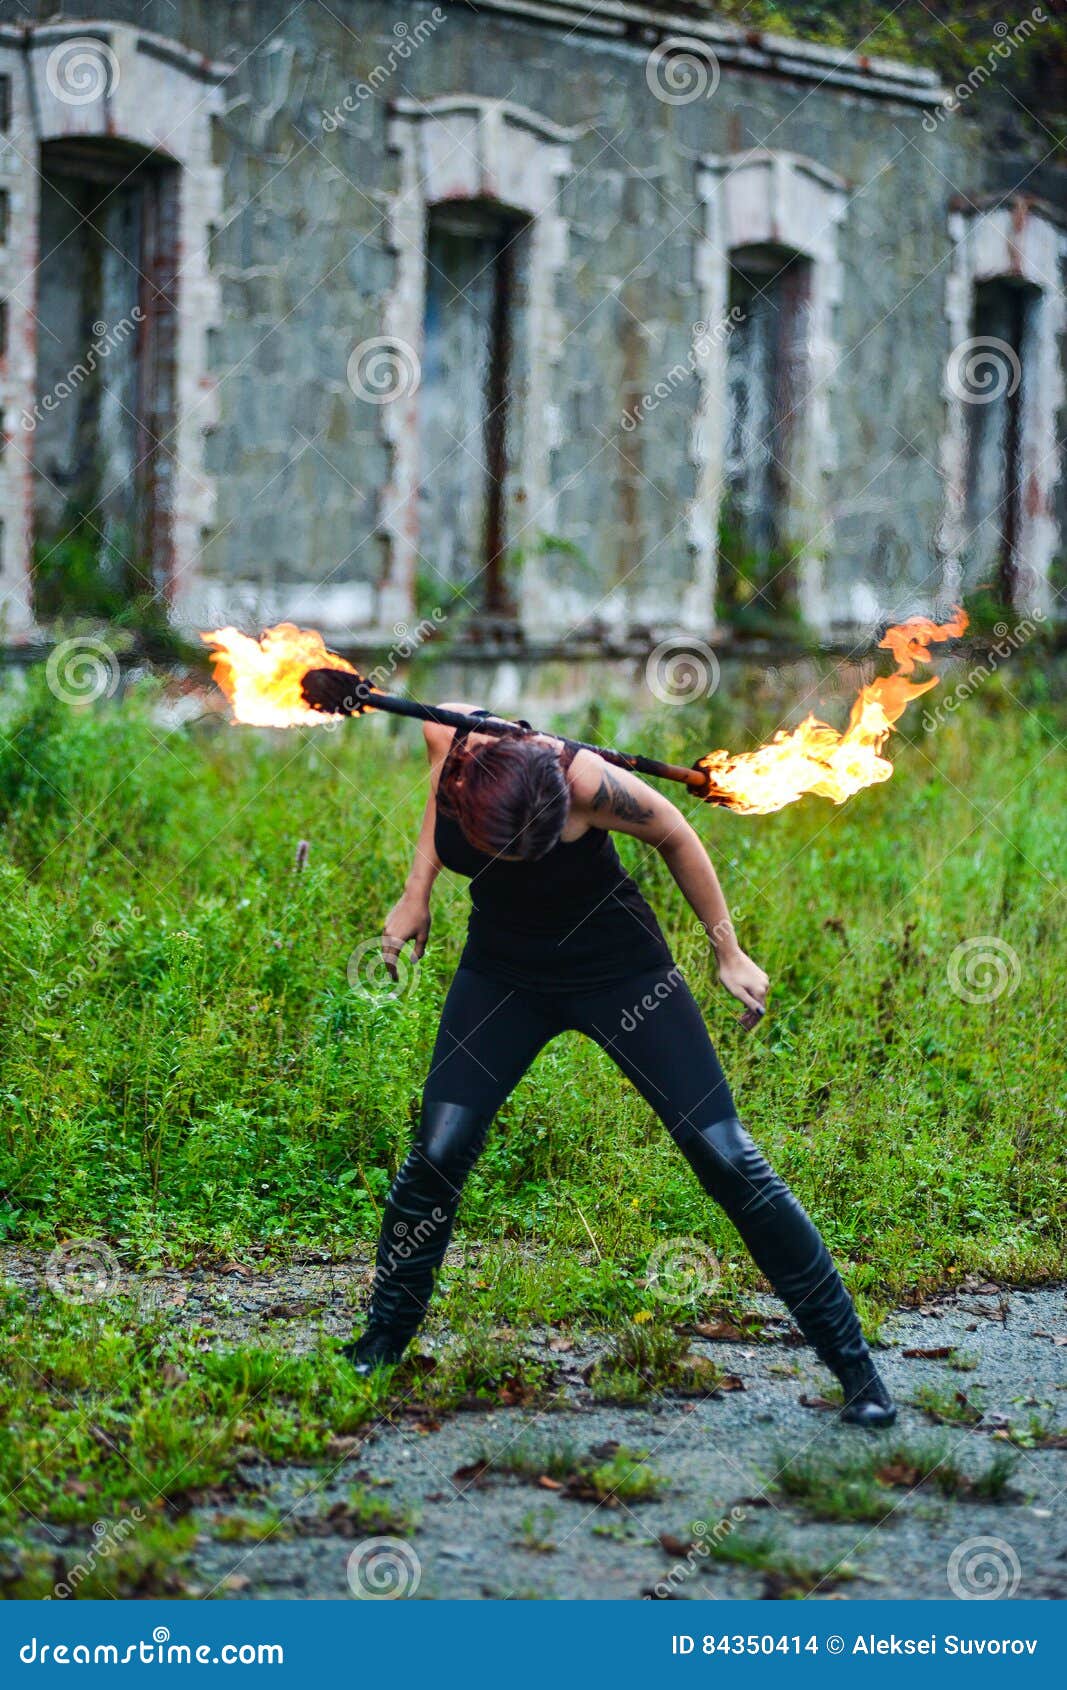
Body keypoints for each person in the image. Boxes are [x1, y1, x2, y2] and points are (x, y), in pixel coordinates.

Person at [343, 706, 896, 1428]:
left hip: (620, 972)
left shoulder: (584, 778)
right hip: (502, 973)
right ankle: (383, 1342)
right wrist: (416, 894)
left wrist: (726, 949)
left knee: (724, 1152)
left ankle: (854, 1366)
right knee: (439, 1148)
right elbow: (434, 805)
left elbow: (673, 831)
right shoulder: (448, 740)